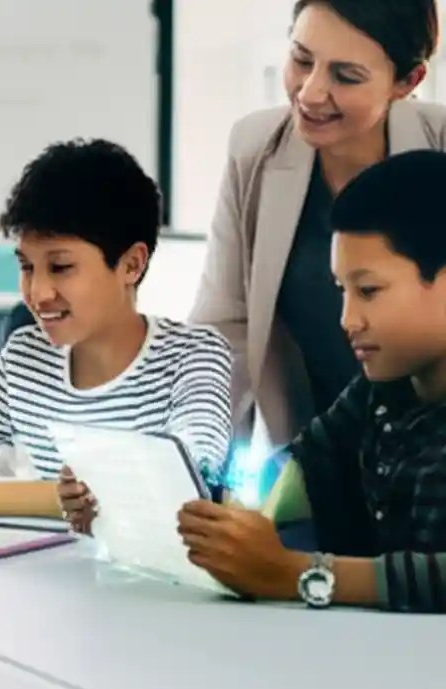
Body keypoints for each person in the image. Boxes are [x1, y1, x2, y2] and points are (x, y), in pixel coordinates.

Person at [0, 139, 233, 524]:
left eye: (61, 267)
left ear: (131, 265)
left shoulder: (194, 356)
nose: (38, 293)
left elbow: (184, 481)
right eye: (27, 267)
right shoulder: (25, 358)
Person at [179, 150, 446, 613]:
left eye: (368, 291)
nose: (348, 320)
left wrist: (299, 573)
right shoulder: (383, 390)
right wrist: (220, 520)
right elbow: (305, 464)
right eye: (342, 291)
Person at [190, 0, 444, 451]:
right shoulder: (256, 149)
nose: (309, 93)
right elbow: (223, 327)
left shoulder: (439, 148)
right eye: (302, 60)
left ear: (408, 81)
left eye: (345, 76)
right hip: (316, 451)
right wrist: (202, 460)